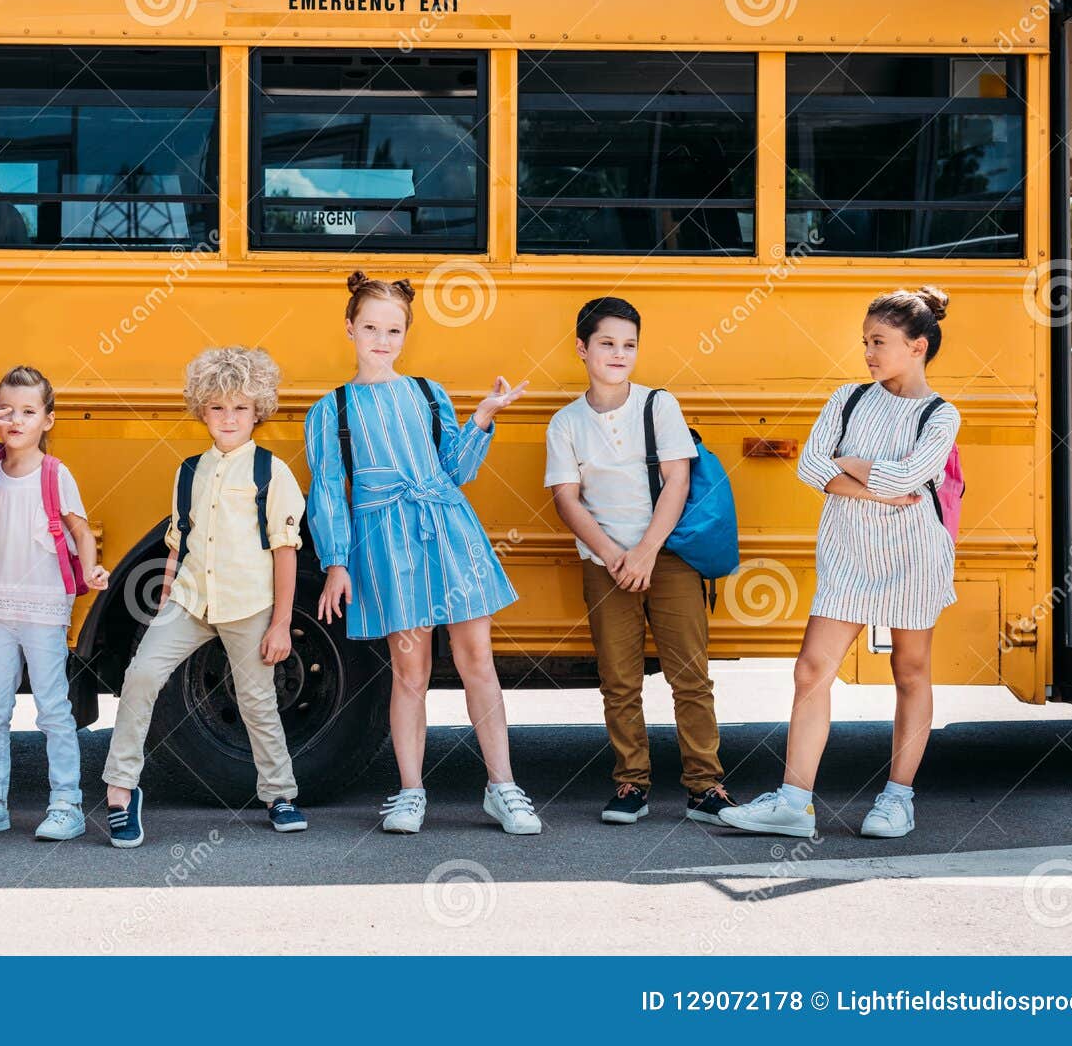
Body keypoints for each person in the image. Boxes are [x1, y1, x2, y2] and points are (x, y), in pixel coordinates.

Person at [304, 272, 540, 836]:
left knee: (476, 660)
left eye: (393, 329)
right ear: (349, 329)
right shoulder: (331, 410)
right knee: (410, 672)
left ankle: (502, 787)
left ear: (407, 333)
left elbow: (455, 471)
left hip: (448, 532)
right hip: (386, 546)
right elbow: (328, 492)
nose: (381, 340)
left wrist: (483, 415)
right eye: (370, 328)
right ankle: (410, 791)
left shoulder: (429, 393)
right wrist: (336, 562)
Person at [721, 287, 959, 840]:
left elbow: (908, 478)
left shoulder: (941, 414)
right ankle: (794, 802)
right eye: (865, 342)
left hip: (913, 555)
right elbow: (809, 466)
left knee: (911, 670)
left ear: (917, 346)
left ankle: (897, 799)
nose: (869, 353)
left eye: (880, 342)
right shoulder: (847, 398)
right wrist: (876, 484)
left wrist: (847, 466)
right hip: (848, 554)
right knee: (810, 668)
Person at [546, 296, 740, 826]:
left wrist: (647, 551)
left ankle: (705, 785)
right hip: (605, 562)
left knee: (690, 674)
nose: (618, 353)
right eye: (607, 343)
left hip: (668, 555)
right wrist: (614, 556)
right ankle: (631, 782)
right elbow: (567, 497)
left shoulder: (658, 405)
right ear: (582, 348)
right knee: (619, 678)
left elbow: (678, 478)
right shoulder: (565, 423)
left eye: (629, 345)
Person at [102, 346, 307, 847]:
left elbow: (285, 551)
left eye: (240, 407)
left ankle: (279, 793)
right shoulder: (189, 470)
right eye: (217, 407)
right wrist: (166, 596)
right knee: (142, 675)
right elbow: (180, 538)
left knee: (258, 700)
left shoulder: (270, 472)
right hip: (189, 601)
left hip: (248, 604)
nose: (229, 417)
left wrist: (280, 624)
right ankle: (120, 792)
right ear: (202, 411)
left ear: (258, 410)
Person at [0, 367, 109, 840]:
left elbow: (81, 530)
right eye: (7, 410)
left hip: (43, 609)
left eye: (29, 412)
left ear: (48, 420)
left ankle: (67, 804)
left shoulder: (55, 474)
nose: (16, 421)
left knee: (53, 709)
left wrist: (92, 568)